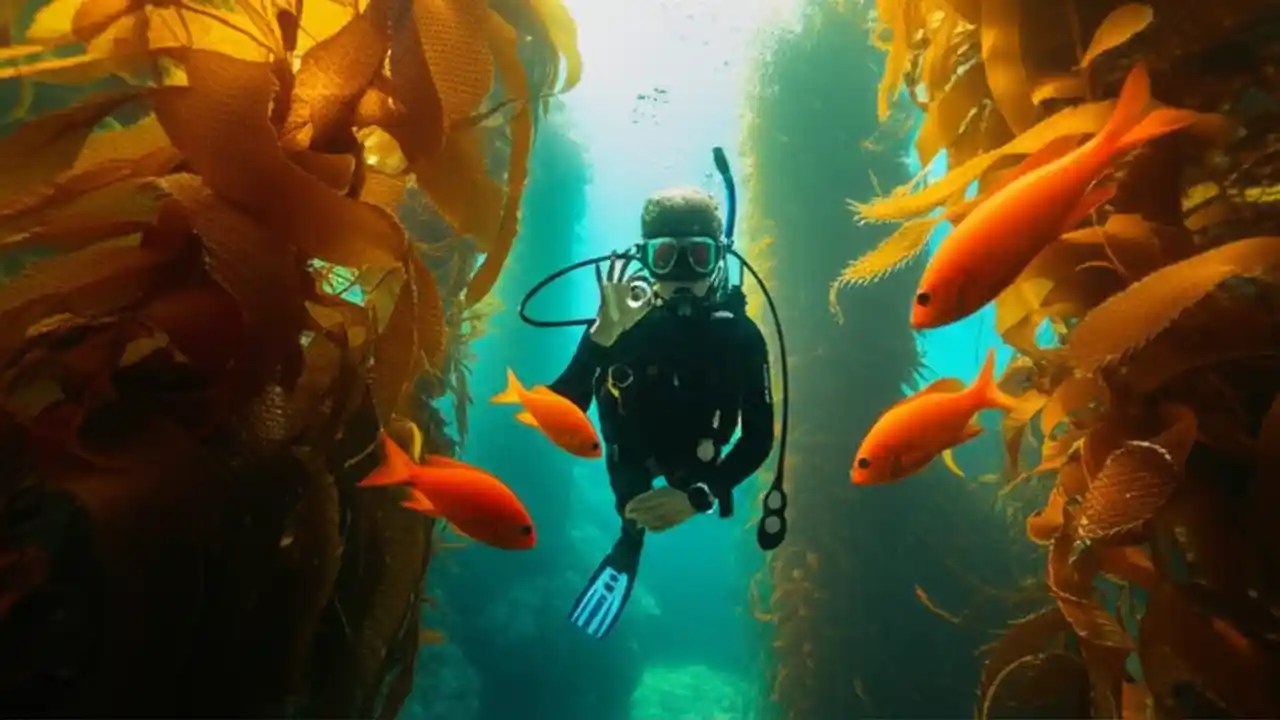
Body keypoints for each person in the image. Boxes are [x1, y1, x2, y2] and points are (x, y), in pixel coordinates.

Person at [551, 186, 777, 638]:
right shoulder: (620, 323)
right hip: (630, 459)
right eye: (665, 256)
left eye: (696, 255)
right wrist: (600, 338)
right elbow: (558, 413)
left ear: (718, 258)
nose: (680, 274)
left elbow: (758, 438)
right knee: (632, 506)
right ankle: (629, 538)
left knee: (681, 483)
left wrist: (698, 495)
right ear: (644, 258)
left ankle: (638, 529)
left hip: (699, 467)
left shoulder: (740, 336)